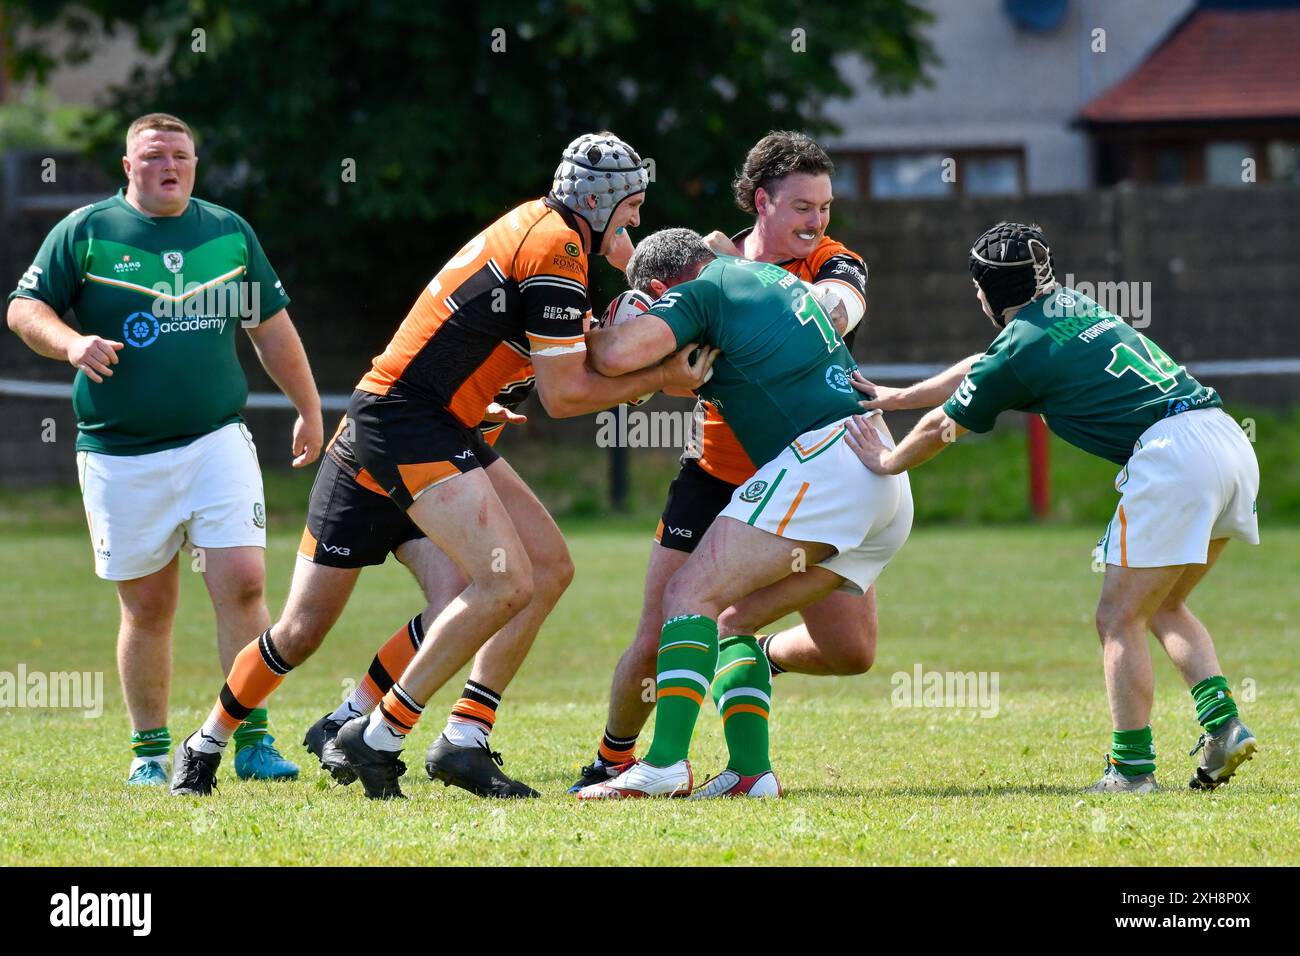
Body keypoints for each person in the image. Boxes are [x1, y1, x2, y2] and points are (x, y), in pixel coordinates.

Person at [170, 132, 713, 799]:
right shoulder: (556, 248)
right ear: (598, 203)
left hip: (435, 427)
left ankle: (457, 736)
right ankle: (244, 741)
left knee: (542, 569)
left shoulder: (552, 226)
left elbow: (613, 282)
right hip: (400, 425)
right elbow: (567, 392)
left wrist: (674, 283)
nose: (635, 221)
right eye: (631, 206)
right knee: (358, 615)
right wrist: (660, 374)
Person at [845, 221, 1259, 794]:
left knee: (1118, 619)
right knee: (1164, 607)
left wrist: (887, 463)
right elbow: (982, 365)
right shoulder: (1069, 305)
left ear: (984, 292)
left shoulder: (1018, 348)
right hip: (1227, 442)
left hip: (1176, 459)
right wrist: (901, 397)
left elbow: (948, 424)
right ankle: (1223, 727)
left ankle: (1132, 771)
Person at [6, 112, 321, 787]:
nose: (169, 165)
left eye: (180, 154)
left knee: (243, 581)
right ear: (129, 166)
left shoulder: (228, 232)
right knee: (148, 606)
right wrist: (70, 343)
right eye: (153, 155)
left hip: (215, 439)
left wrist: (309, 407)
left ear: (195, 165)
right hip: (119, 452)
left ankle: (251, 741)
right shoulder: (87, 233)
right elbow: (23, 309)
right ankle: (149, 753)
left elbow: (270, 328)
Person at [568, 132, 878, 797]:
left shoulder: (813, 261)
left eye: (825, 206)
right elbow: (649, 346)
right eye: (803, 207)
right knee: (659, 633)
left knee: (852, 652)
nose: (817, 222)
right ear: (762, 201)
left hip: (810, 476)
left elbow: (843, 307)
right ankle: (615, 759)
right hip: (716, 474)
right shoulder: (704, 261)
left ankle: (751, 654)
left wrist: (749, 300)